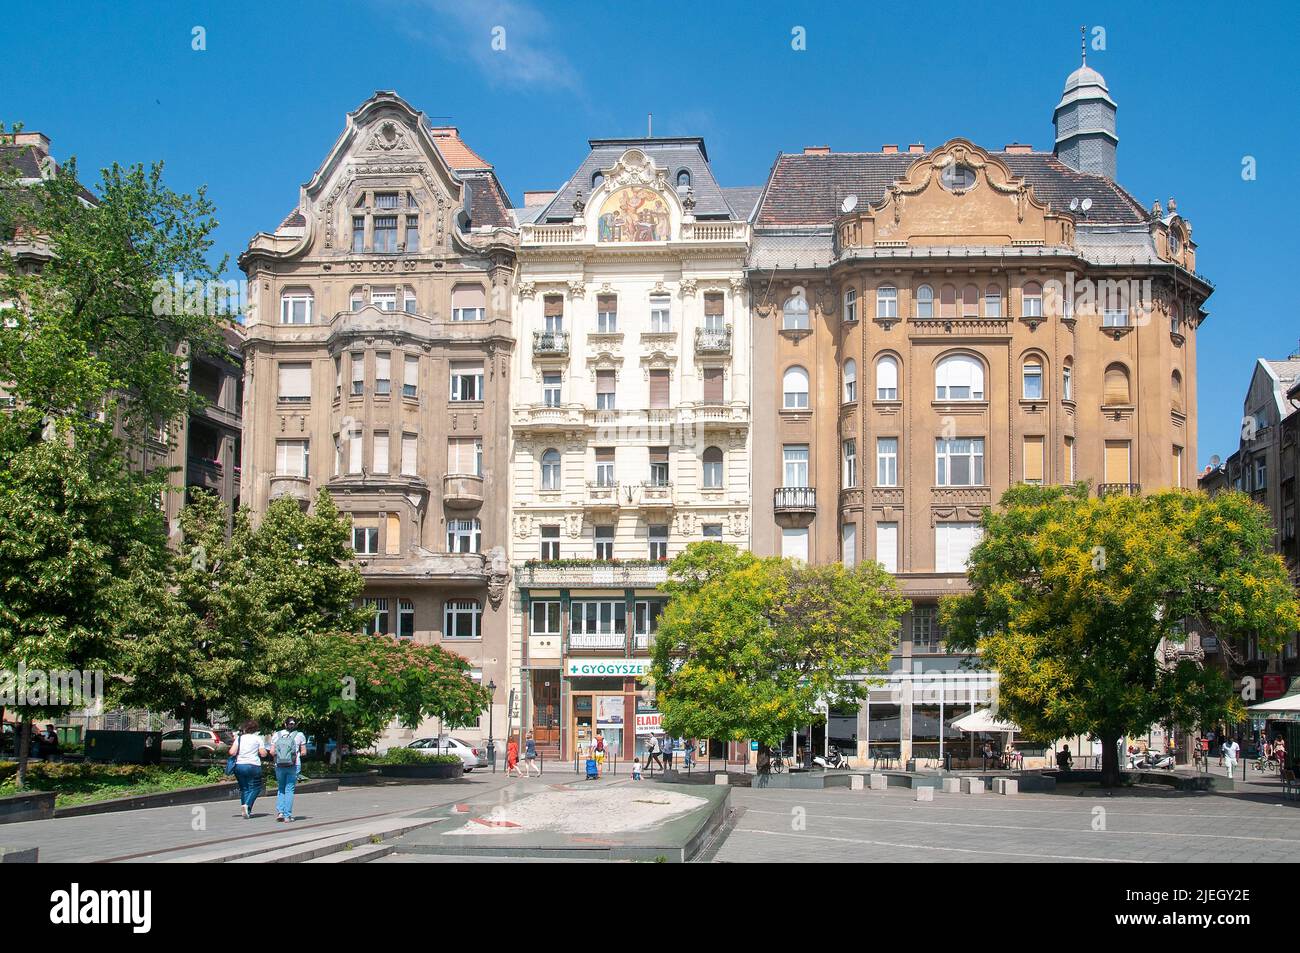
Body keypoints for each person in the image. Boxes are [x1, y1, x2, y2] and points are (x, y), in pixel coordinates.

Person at [270, 717, 306, 822]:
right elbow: (304, 752)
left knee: (281, 788)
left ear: (285, 724)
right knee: (289, 789)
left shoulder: (277, 734)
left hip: (279, 765)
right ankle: (287, 816)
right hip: (294, 765)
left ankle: (280, 812)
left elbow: (272, 752)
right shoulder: (300, 735)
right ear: (295, 724)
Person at [230, 720, 267, 819]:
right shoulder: (258, 739)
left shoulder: (239, 738)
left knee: (244, 789)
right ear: (255, 729)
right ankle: (248, 806)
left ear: (245, 728)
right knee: (256, 787)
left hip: (239, 766)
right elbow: (263, 753)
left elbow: (232, 752)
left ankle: (245, 811)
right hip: (253, 765)